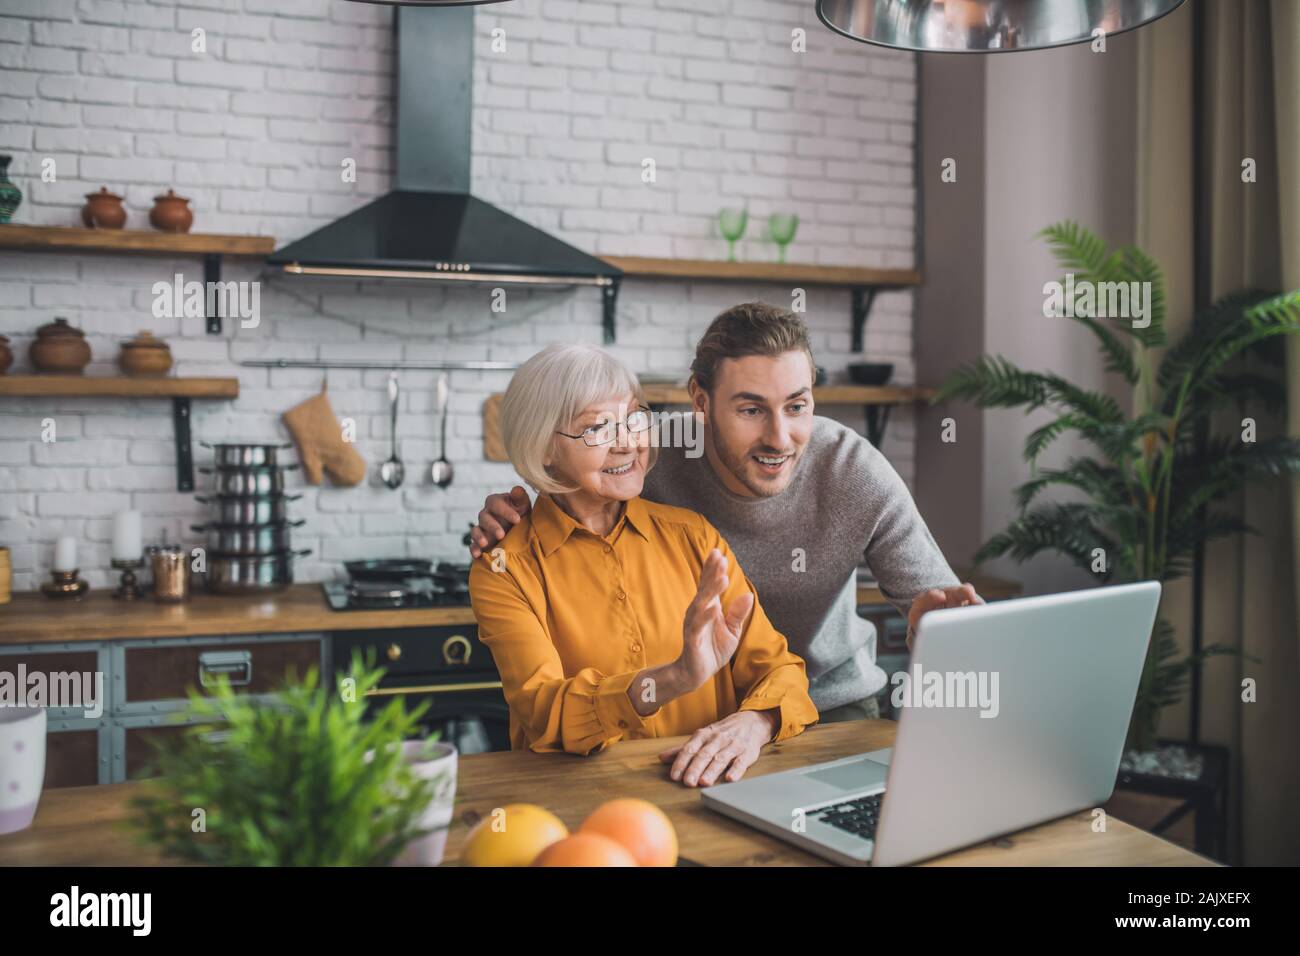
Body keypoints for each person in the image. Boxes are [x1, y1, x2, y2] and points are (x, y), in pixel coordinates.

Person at [470, 302, 984, 727]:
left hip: (827, 702)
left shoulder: (852, 471)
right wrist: (515, 513)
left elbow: (947, 614)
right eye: (750, 409)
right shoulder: (649, 461)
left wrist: (939, 632)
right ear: (700, 401)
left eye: (798, 405)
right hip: (688, 715)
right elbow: (570, 474)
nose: (779, 438)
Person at [469, 343, 818, 788]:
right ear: (543, 451)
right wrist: (672, 679)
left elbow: (781, 670)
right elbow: (543, 714)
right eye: (597, 427)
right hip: (579, 801)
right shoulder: (506, 567)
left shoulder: (693, 536)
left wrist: (757, 722)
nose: (628, 442)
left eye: (634, 418)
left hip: (712, 792)